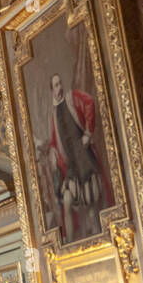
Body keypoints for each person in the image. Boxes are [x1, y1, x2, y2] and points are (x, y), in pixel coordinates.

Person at [48, 72, 104, 238]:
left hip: (84, 158)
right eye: (56, 85)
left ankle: (96, 236)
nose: (59, 87)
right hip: (71, 165)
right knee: (67, 202)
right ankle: (72, 242)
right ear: (52, 90)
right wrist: (52, 152)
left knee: (91, 204)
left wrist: (88, 131)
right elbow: (53, 139)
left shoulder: (72, 98)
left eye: (60, 83)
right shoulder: (54, 113)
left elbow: (89, 102)